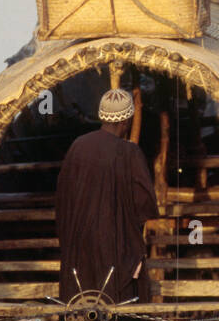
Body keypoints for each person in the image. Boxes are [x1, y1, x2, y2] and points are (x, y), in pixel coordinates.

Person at [55, 88, 157, 305]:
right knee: (119, 307)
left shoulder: (77, 147)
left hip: (80, 249)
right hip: (114, 247)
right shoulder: (129, 153)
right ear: (126, 121)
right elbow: (145, 203)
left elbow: (62, 200)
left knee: (82, 301)